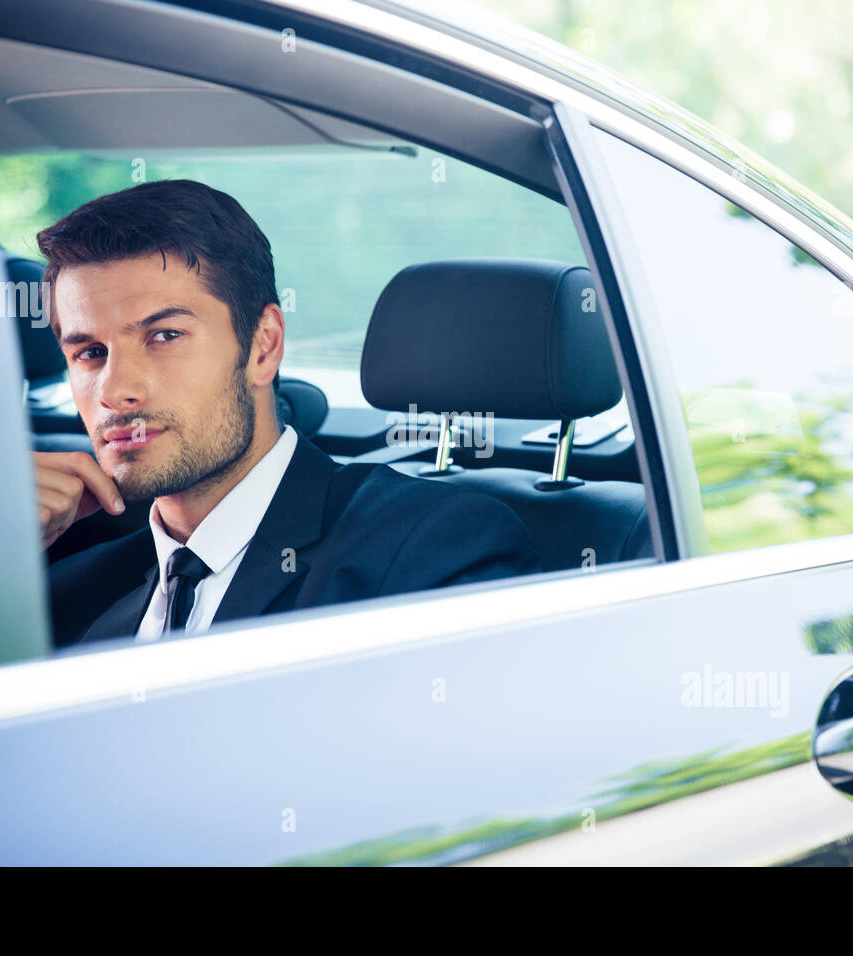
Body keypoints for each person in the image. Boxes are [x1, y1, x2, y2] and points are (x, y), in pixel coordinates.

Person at [35, 180, 540, 647]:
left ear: (263, 345)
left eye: (165, 336)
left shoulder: (431, 549)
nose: (116, 390)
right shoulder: (65, 579)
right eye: (89, 353)